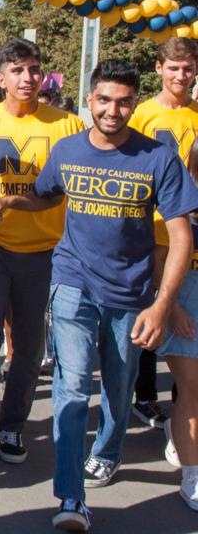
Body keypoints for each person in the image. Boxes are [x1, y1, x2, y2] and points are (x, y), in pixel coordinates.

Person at [0, 59, 198, 530]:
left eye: (122, 102)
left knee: (118, 387)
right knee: (72, 386)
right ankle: (71, 496)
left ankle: (108, 451)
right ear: (90, 99)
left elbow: (181, 236)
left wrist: (161, 303)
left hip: (131, 293)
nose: (112, 110)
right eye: (103, 100)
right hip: (72, 281)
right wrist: (6, 200)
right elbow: (46, 195)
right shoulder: (69, 148)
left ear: (134, 103)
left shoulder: (158, 157)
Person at [0, 38, 85, 474]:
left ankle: (12, 426)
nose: (28, 78)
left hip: (45, 252)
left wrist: (9, 204)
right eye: (18, 70)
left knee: (28, 347)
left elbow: (69, 191)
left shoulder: (67, 126)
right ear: (1, 78)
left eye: (34, 69)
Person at [128, 36, 198, 430]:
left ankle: (181, 408)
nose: (181, 75)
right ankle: (145, 394)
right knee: (149, 310)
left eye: (188, 68)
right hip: (149, 226)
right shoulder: (143, 115)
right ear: (159, 69)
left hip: (187, 227)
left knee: (183, 316)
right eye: (173, 68)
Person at [161, 136, 198, 513]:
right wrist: (170, 308)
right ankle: (192, 474)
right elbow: (159, 261)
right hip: (186, 313)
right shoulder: (179, 210)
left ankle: (179, 433)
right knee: (193, 390)